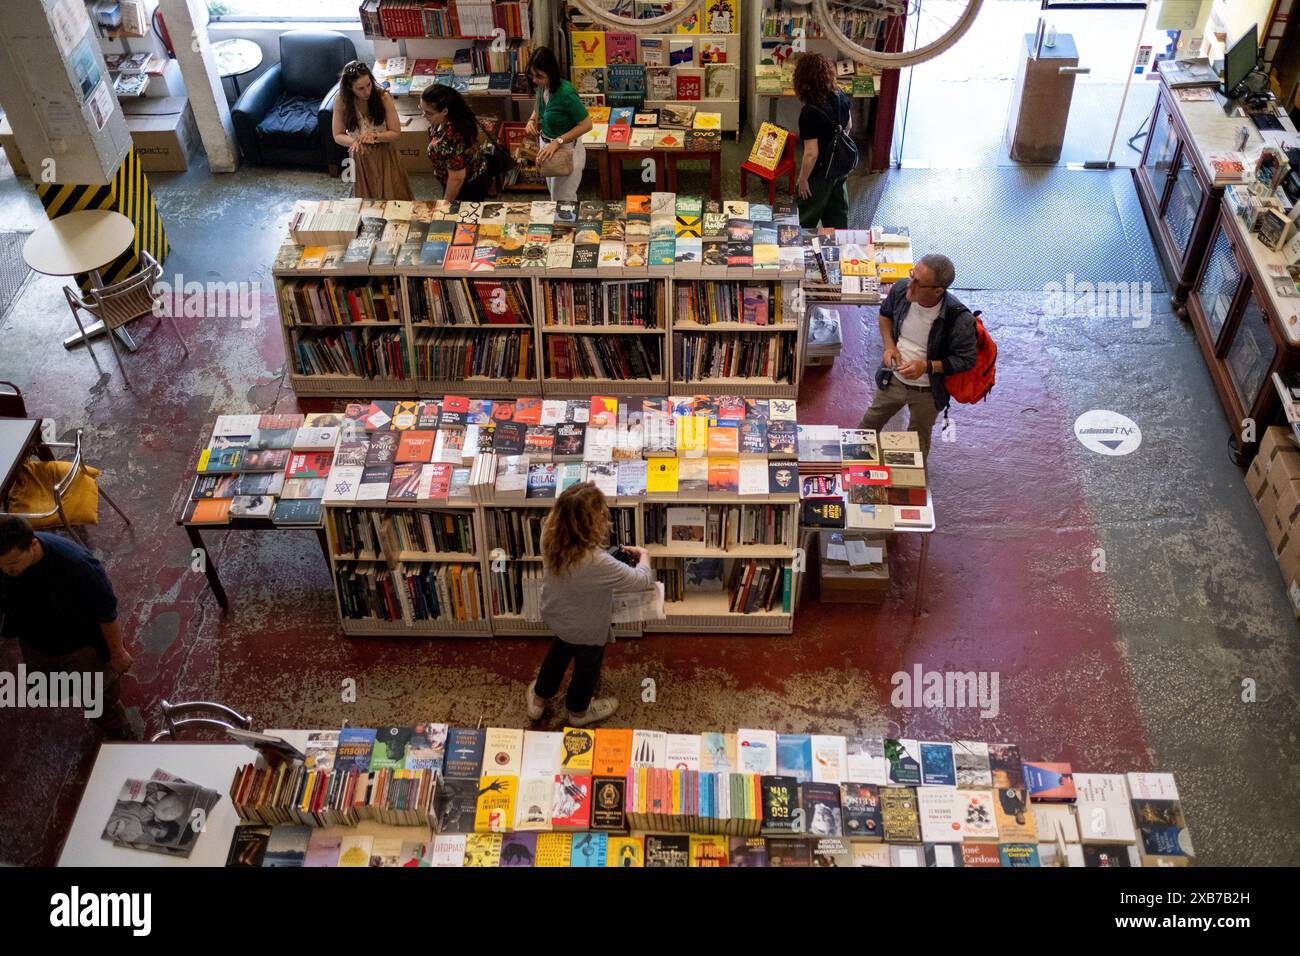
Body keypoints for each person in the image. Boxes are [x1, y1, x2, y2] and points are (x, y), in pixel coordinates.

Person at [527, 482, 651, 726]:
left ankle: (539, 700)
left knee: (557, 656)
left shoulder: (548, 534)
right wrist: (644, 555)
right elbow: (641, 580)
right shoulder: (597, 561)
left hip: (557, 617)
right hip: (588, 628)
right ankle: (578, 711)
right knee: (587, 669)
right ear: (592, 522)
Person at [0, 516, 136, 739]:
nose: (6, 570)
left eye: (13, 564)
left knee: (99, 700)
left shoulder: (76, 565)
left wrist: (117, 653)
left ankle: (124, 738)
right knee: (47, 689)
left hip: (81, 645)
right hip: (35, 641)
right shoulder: (4, 564)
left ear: (33, 544)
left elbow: (106, 613)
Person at [859, 253, 978, 459]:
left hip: (928, 392)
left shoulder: (958, 319)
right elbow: (885, 314)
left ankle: (908, 482)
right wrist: (889, 346)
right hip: (894, 380)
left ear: (938, 291)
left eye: (917, 283)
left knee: (917, 443)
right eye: (911, 275)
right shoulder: (900, 290)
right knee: (867, 426)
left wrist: (927, 366)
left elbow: (967, 359)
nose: (909, 284)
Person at [332, 60, 413, 201]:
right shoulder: (341, 101)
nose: (367, 91)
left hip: (385, 153)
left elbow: (396, 133)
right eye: (360, 88)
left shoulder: (383, 97)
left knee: (394, 196)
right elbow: (337, 135)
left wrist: (375, 136)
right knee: (368, 201)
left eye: (368, 85)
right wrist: (355, 141)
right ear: (350, 88)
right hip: (360, 155)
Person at [524, 47, 592, 201]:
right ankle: (563, 224)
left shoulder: (566, 93)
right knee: (555, 195)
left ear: (551, 72)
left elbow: (587, 124)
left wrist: (558, 141)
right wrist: (532, 120)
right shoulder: (543, 86)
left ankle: (567, 225)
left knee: (563, 199)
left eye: (539, 76)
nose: (535, 80)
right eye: (532, 75)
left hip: (565, 149)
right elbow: (539, 106)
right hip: (548, 147)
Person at [794, 52, 853, 229]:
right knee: (838, 214)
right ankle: (838, 249)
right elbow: (849, 125)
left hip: (820, 172)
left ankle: (798, 251)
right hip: (840, 167)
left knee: (805, 216)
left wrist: (803, 179)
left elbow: (812, 154)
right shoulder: (841, 95)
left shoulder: (809, 112)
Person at [420, 84, 496, 203]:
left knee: (460, 217)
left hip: (467, 186)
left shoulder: (453, 137)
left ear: (445, 111)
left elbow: (457, 179)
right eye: (421, 109)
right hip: (466, 175)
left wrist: (446, 203)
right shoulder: (448, 119)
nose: (423, 115)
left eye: (429, 113)